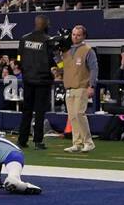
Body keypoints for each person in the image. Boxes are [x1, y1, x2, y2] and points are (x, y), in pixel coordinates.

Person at [16, 14, 54, 150]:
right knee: (39, 112)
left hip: (27, 80)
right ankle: (38, 141)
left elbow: (19, 59)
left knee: (26, 111)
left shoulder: (24, 39)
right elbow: (52, 60)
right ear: (44, 24)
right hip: (43, 81)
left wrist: (25, 71)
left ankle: (22, 140)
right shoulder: (49, 41)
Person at [61, 24, 98, 153]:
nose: (75, 37)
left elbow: (94, 69)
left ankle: (88, 142)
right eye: (73, 34)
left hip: (82, 86)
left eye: (78, 35)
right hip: (69, 87)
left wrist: (91, 86)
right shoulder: (66, 50)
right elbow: (62, 66)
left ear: (83, 36)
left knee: (79, 114)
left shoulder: (88, 50)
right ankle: (77, 143)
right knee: (72, 116)